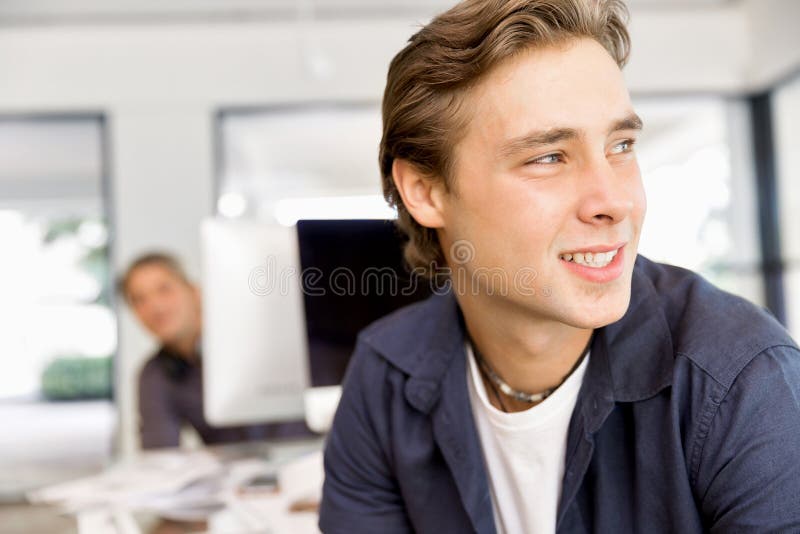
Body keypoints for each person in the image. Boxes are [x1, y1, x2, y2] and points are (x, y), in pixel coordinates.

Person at [319, 0, 800, 532]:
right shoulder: (385, 376)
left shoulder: (744, 384)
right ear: (426, 190)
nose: (615, 200)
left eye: (620, 145)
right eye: (548, 157)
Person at [119, 252, 310, 449]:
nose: (155, 307)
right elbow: (159, 453)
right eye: (139, 300)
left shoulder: (263, 335)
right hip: (238, 473)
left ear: (195, 291)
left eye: (164, 290)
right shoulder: (156, 374)